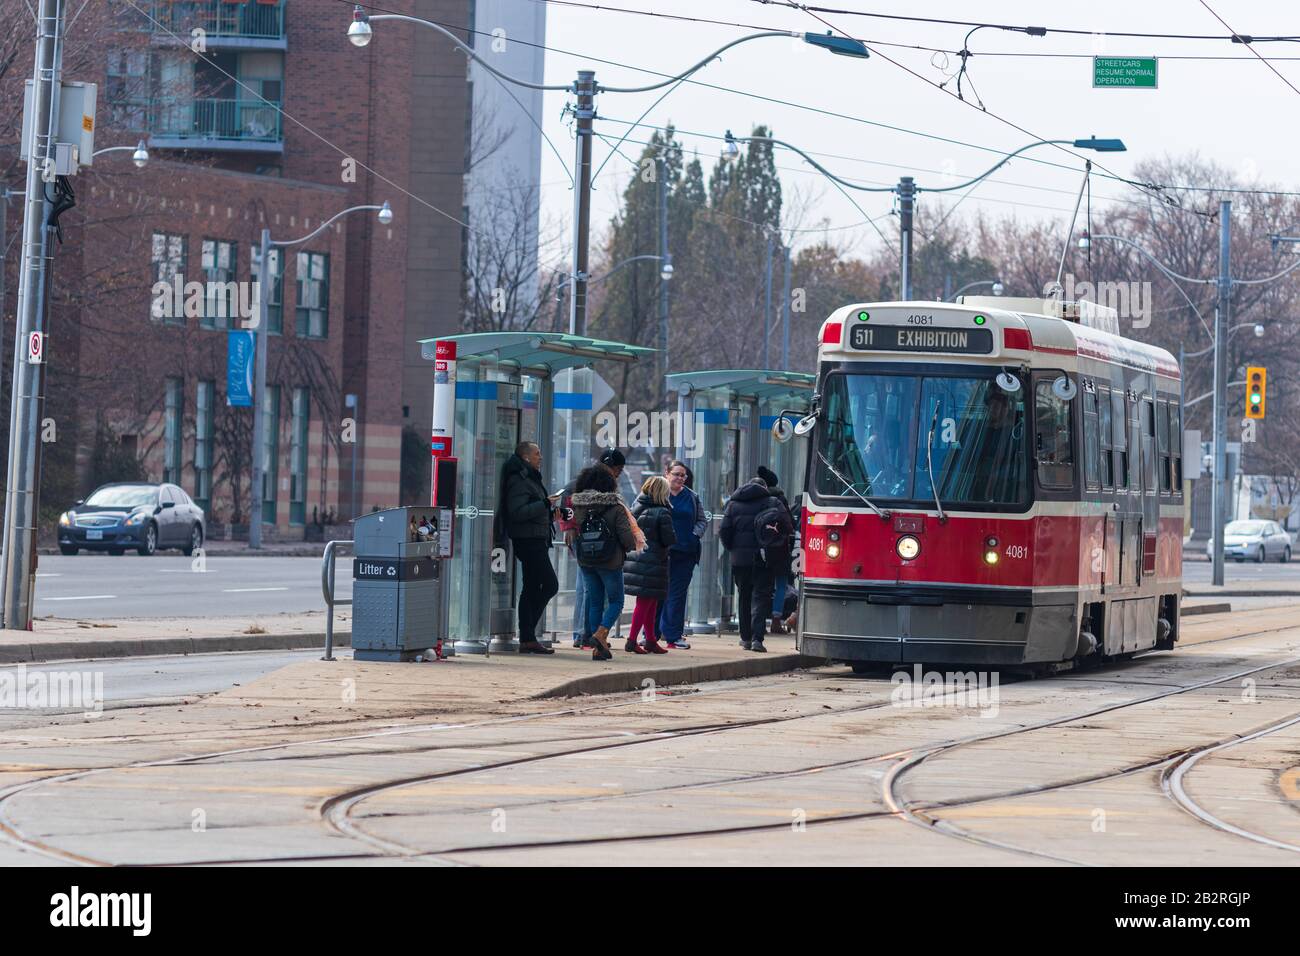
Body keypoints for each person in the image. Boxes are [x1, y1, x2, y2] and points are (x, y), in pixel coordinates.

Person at [495, 441, 560, 655]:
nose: (540, 457)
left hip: (536, 537)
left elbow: (534, 509)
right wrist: (545, 504)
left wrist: (552, 513)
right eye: (537, 453)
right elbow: (518, 512)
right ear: (525, 457)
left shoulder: (530, 478)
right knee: (550, 584)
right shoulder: (520, 480)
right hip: (528, 540)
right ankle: (528, 632)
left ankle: (527, 638)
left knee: (532, 587)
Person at [571, 465, 641, 661]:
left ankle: (598, 649)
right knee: (616, 601)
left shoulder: (579, 506)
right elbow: (627, 539)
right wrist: (626, 549)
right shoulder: (616, 507)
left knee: (594, 602)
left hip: (586, 561)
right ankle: (600, 634)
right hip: (610, 561)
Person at [560, 448, 626, 648]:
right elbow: (567, 502)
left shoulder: (586, 479)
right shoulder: (596, 482)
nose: (618, 474)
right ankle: (587, 633)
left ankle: (591, 634)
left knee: (592, 592)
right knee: (590, 592)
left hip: (587, 545)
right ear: (612, 468)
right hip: (596, 546)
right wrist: (569, 527)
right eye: (618, 470)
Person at [719, 470, 781, 653]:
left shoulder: (733, 504)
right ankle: (757, 639)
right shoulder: (772, 502)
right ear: (764, 488)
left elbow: (724, 531)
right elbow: (786, 527)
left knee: (744, 596)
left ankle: (745, 637)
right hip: (764, 558)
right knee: (761, 598)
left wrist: (733, 549)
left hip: (740, 560)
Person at [657, 460, 707, 650]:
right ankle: (651, 634)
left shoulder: (692, 497)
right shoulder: (657, 493)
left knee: (677, 595)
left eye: (682, 475)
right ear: (667, 473)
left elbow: (702, 521)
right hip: (661, 552)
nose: (679, 478)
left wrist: (694, 535)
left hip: (686, 553)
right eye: (676, 474)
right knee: (657, 592)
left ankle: (673, 636)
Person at [623, 475, 676, 654]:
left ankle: (651, 639)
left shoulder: (636, 507)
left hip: (637, 557)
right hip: (654, 561)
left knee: (650, 601)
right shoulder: (663, 512)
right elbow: (669, 539)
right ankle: (632, 640)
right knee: (646, 603)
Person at [755, 466, 797, 634]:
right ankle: (776, 621)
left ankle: (757, 621)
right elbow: (789, 525)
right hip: (779, 549)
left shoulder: (755, 499)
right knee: (781, 584)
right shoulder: (779, 499)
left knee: (761, 586)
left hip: (760, 549)